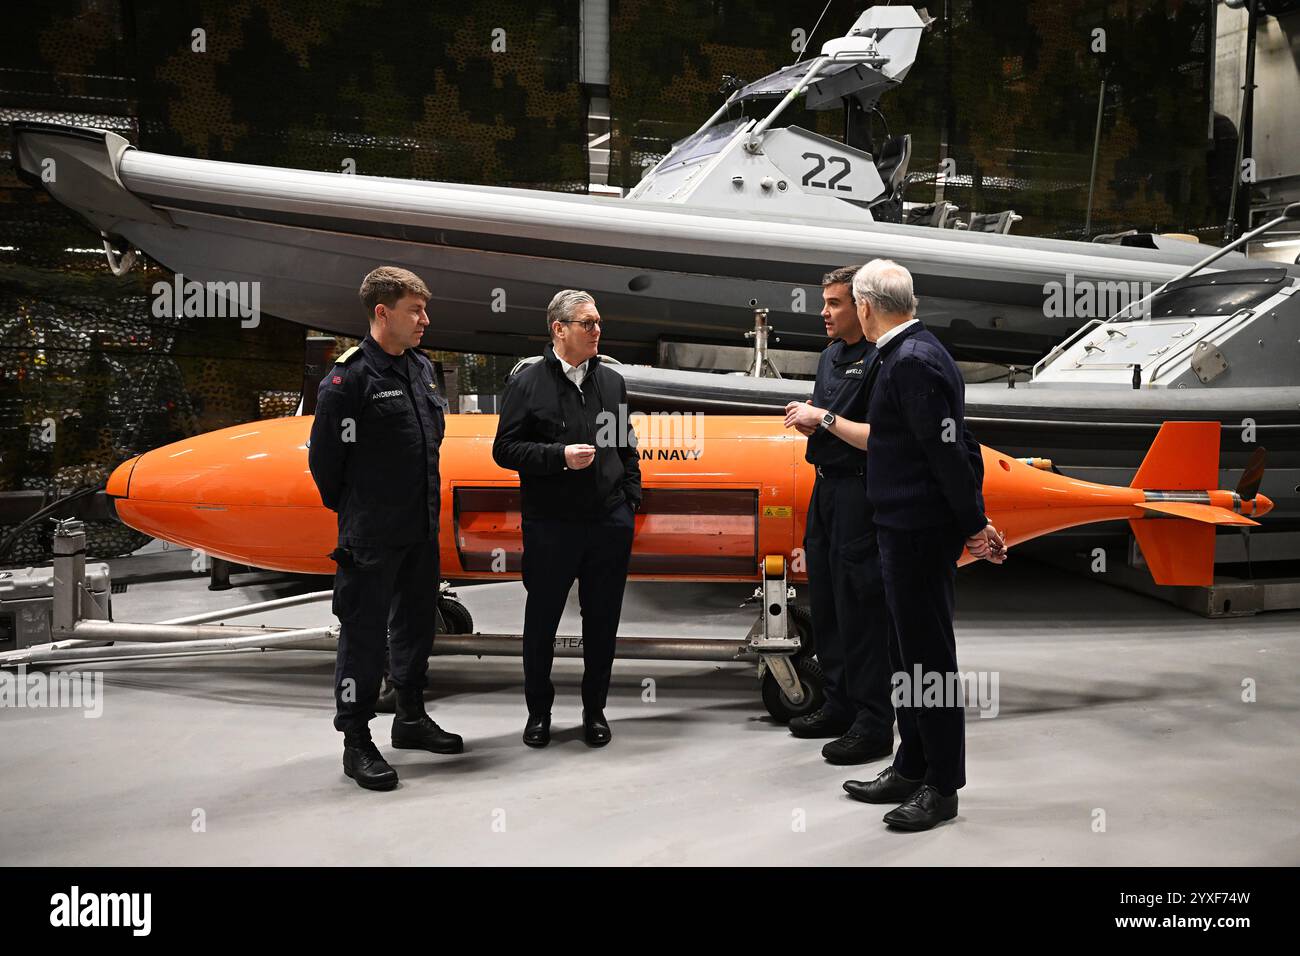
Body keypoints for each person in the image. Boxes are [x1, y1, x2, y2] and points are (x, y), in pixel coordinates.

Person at [840, 259, 1005, 831]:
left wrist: (973, 525)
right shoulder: (910, 352)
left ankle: (942, 785)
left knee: (928, 660)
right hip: (899, 527)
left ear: (865, 305)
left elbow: (949, 452)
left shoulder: (911, 362)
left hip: (917, 532)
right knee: (903, 655)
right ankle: (911, 764)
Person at [308, 266, 462, 792]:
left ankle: (411, 717)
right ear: (382, 313)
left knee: (416, 626)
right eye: (414, 311)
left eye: (424, 310)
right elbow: (326, 465)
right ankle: (356, 742)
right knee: (363, 638)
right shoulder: (348, 379)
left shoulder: (420, 369)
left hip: (419, 527)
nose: (425, 319)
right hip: (370, 534)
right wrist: (357, 512)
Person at [492, 289, 642, 749]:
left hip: (606, 524)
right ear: (559, 329)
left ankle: (594, 711)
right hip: (551, 525)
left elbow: (624, 446)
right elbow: (504, 450)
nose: (597, 331)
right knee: (542, 623)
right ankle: (539, 713)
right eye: (587, 323)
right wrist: (558, 456)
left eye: (598, 323)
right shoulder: (527, 383)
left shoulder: (611, 383)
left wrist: (628, 499)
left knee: (603, 623)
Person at [782, 266, 894, 765]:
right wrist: (813, 423)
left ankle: (873, 723)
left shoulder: (881, 359)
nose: (823, 312)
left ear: (862, 306)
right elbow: (832, 421)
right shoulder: (829, 356)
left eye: (834, 303)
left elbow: (878, 434)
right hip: (825, 490)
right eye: (823, 302)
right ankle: (838, 703)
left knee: (861, 608)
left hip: (860, 493)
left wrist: (822, 419)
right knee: (826, 600)